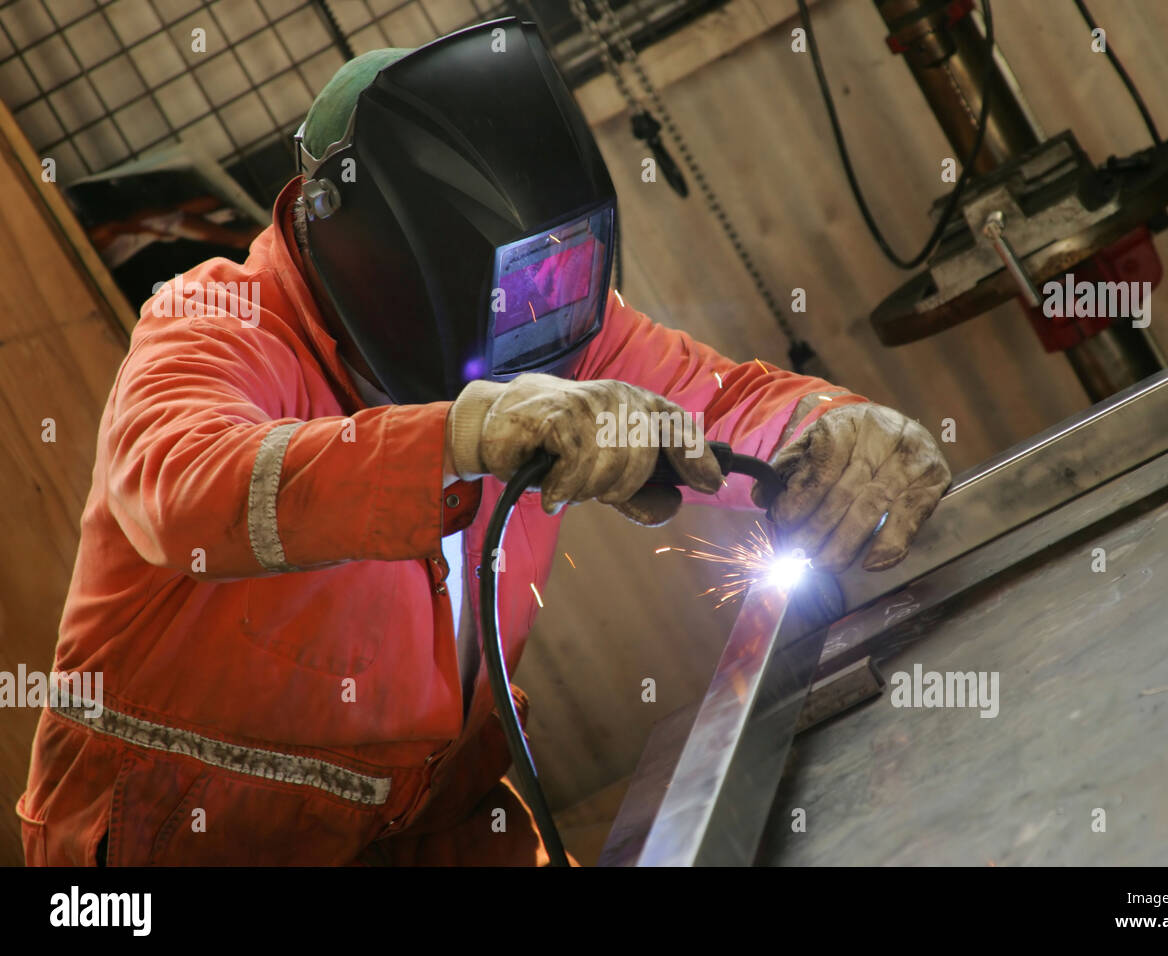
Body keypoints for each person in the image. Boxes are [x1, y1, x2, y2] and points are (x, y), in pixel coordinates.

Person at [19, 19, 949, 866]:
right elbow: (190, 491)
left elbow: (722, 401)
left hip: (440, 817)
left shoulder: (550, 311)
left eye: (554, 291)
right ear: (379, 262)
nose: (542, 342)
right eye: (509, 304)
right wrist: (467, 434)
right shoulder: (216, 323)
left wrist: (830, 430)